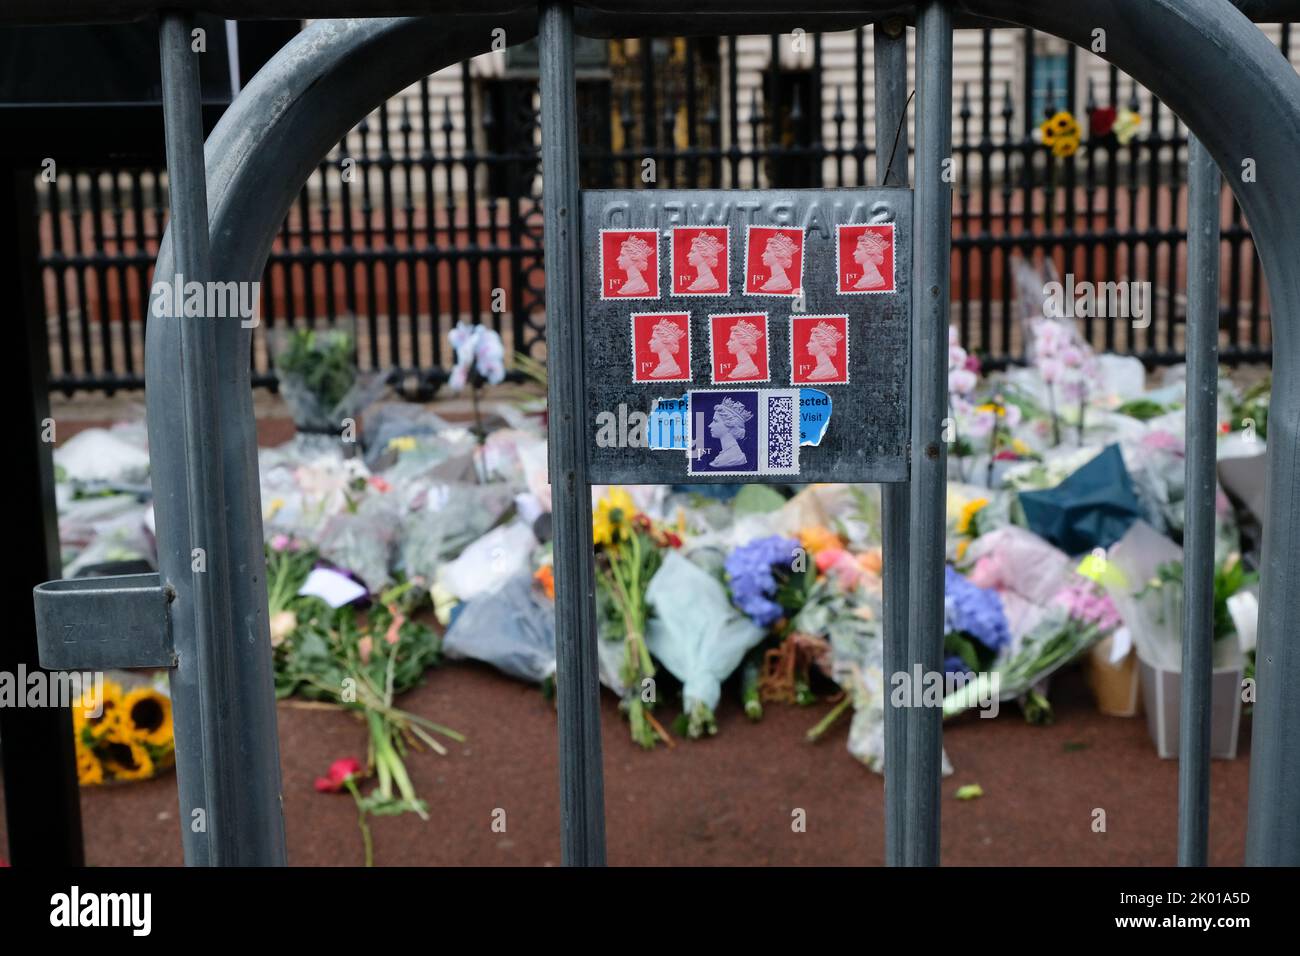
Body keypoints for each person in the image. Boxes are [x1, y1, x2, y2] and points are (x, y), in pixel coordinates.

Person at [708, 396, 754, 468]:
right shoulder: (726, 453)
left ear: (729, 425)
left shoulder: (735, 457)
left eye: (715, 421)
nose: (710, 425)